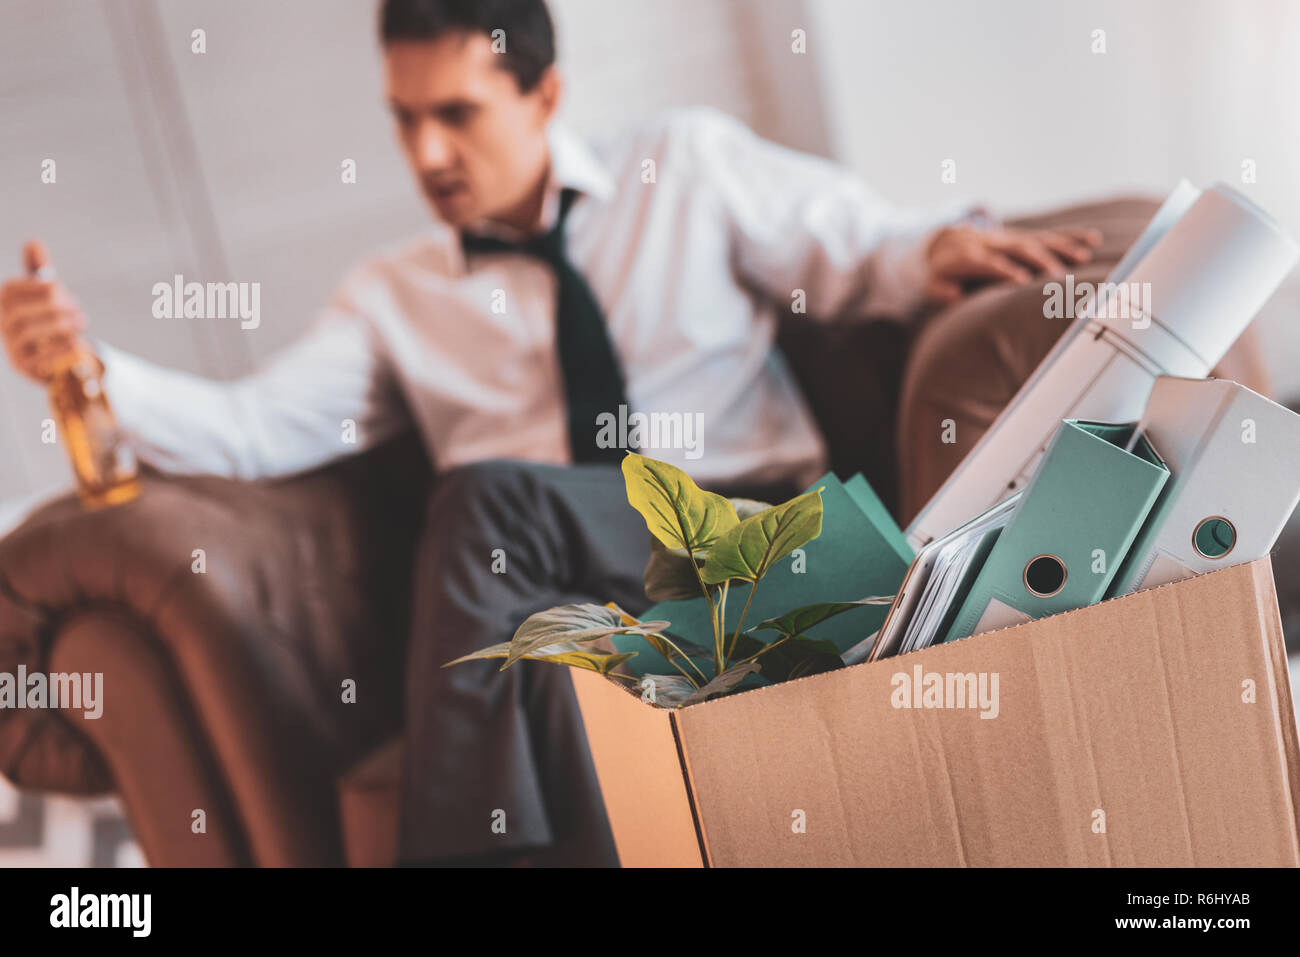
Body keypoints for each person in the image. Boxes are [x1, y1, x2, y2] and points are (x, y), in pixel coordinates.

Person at [0, 0, 1101, 865]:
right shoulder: (394, 293)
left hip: (774, 549)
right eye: (404, 117)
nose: (427, 151)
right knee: (538, 659)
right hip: (596, 597)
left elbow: (858, 244)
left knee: (488, 497)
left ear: (545, 95)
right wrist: (89, 374)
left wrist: (939, 251)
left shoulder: (683, 166)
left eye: (457, 114)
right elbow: (252, 430)